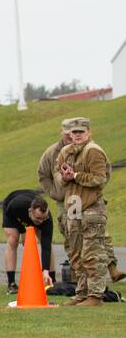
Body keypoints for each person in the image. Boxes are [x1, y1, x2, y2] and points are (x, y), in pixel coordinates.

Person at [38, 118, 123, 284]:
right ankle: (80, 281)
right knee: (72, 237)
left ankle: (110, 269)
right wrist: (55, 193)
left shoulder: (91, 150)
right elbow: (43, 174)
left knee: (99, 235)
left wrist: (95, 189)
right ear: (63, 132)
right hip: (66, 201)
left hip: (89, 198)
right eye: (70, 132)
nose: (73, 136)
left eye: (78, 132)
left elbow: (103, 172)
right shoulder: (53, 152)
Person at [56, 118, 112, 306]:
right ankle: (82, 293)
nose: (78, 135)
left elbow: (100, 178)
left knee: (92, 252)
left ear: (89, 133)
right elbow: (58, 178)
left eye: (81, 132)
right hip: (73, 206)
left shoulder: (93, 151)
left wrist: (76, 176)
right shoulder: (65, 152)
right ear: (69, 134)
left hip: (91, 206)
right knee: (75, 252)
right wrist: (64, 177)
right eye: (74, 132)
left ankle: (96, 296)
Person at [0, 190, 54, 294]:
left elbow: (46, 247)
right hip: (11, 209)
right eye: (39, 218)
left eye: (44, 218)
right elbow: (11, 213)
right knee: (13, 239)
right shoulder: (18, 205)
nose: (41, 222)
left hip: (28, 215)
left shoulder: (46, 220)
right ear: (30, 211)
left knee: (46, 242)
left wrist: (45, 270)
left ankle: (51, 279)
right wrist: (23, 231)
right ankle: (11, 283)